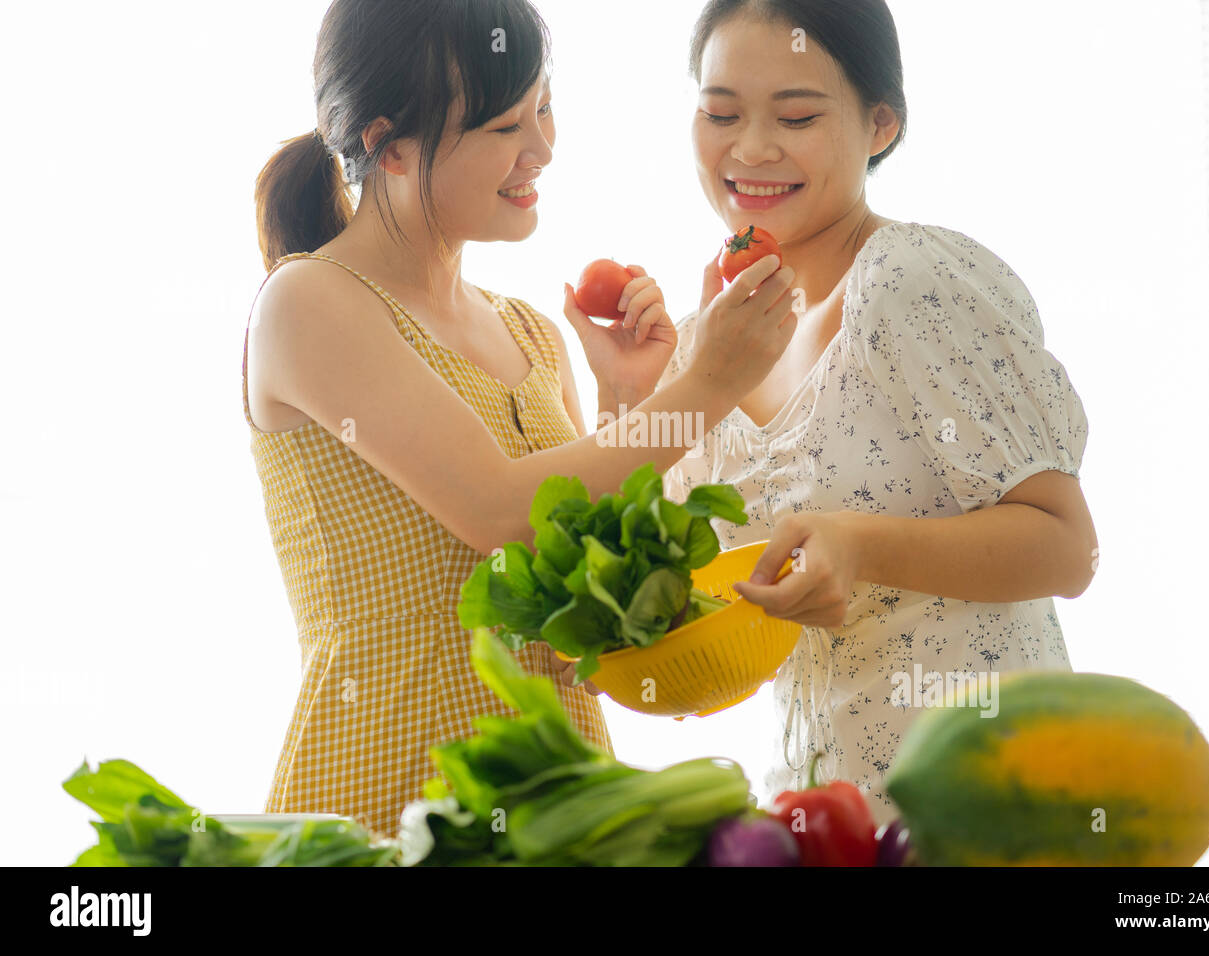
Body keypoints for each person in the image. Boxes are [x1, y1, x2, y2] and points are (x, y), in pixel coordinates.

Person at [244, 0, 797, 836]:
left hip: (559, 805)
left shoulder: (531, 333)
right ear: (390, 145)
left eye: (544, 107)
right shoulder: (308, 301)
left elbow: (587, 590)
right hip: (389, 797)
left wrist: (629, 397)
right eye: (505, 125)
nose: (542, 146)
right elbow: (502, 512)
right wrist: (709, 383)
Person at [638, 0, 1097, 820]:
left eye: (797, 116)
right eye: (721, 114)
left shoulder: (908, 281)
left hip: (993, 806)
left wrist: (860, 545)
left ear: (880, 124)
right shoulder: (712, 342)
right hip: (819, 816)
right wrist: (637, 390)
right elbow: (686, 611)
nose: (751, 149)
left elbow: (1068, 548)